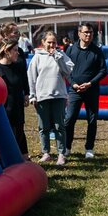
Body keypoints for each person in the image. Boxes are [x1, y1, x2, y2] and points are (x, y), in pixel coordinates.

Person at [27, 30, 74, 165]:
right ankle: (46, 152)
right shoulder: (37, 57)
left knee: (60, 126)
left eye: (54, 42)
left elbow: (67, 71)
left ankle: (61, 153)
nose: (51, 45)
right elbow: (32, 77)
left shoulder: (61, 55)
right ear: (43, 42)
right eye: (49, 42)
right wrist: (32, 95)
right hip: (42, 96)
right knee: (43, 126)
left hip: (58, 95)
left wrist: (58, 59)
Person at [63, 23, 107, 159]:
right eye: (86, 32)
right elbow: (65, 70)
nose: (88, 35)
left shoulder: (97, 51)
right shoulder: (70, 50)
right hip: (74, 90)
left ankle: (89, 148)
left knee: (92, 120)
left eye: (91, 32)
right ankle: (67, 147)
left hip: (91, 90)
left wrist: (90, 83)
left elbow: (103, 70)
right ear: (79, 33)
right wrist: (73, 84)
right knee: (69, 119)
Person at [0, 39, 30, 159]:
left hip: (17, 107)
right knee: (1, 134)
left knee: (19, 133)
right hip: (4, 109)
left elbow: (24, 81)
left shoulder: (18, 66)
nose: (18, 53)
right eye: (15, 50)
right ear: (7, 51)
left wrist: (26, 94)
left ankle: (22, 158)